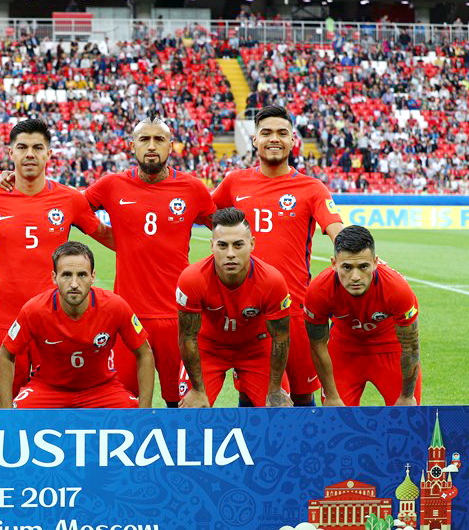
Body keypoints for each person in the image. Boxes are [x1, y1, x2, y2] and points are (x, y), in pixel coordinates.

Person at [0, 118, 114, 403]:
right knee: (6, 406)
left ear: (49, 154)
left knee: (58, 402)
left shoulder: (70, 199)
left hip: (56, 322)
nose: (30, 154)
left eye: (38, 147)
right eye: (22, 147)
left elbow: (107, 237)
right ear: (11, 153)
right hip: (6, 320)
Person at [211, 105, 344, 407]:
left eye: (282, 133)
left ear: (293, 139)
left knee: (300, 396)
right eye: (266, 133)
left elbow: (336, 228)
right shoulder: (234, 182)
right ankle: (252, 455)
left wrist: (360, 252)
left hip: (295, 310)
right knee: (252, 397)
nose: (275, 139)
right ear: (254, 140)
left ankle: (304, 455)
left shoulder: (311, 188)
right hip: (248, 312)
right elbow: (201, 215)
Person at [82, 117, 216, 406]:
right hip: (128, 316)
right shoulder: (111, 185)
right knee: (123, 403)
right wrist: (109, 237)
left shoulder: (192, 188)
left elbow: (224, 229)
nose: (151, 146)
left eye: (159, 140)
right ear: (132, 146)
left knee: (179, 406)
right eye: (144, 140)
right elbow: (73, 208)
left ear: (171, 146)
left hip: (177, 317)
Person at [0, 242, 154, 409]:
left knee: (133, 419)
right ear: (54, 277)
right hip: (48, 389)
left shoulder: (115, 306)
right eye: (66, 275)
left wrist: (145, 410)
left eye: (82, 275)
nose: (74, 284)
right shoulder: (34, 310)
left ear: (93, 276)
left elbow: (145, 353)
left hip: (102, 389)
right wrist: (6, 412)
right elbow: (6, 355)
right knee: (18, 420)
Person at [176, 208, 293, 408]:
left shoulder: (272, 281)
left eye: (238, 245)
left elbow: (281, 338)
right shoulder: (192, 279)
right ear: (212, 246)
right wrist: (197, 390)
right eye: (223, 245)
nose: (230, 254)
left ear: (252, 244)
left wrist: (274, 391)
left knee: (279, 414)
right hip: (208, 348)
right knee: (191, 415)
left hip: (256, 348)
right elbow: (187, 337)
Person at [304, 225, 421, 406]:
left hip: (391, 347)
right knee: (336, 425)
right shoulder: (318, 291)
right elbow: (317, 346)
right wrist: (331, 395)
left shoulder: (397, 289)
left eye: (363, 266)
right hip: (344, 349)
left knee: (407, 424)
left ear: (375, 262)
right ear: (334, 264)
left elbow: (411, 348)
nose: (356, 276)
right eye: (347, 267)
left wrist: (406, 396)